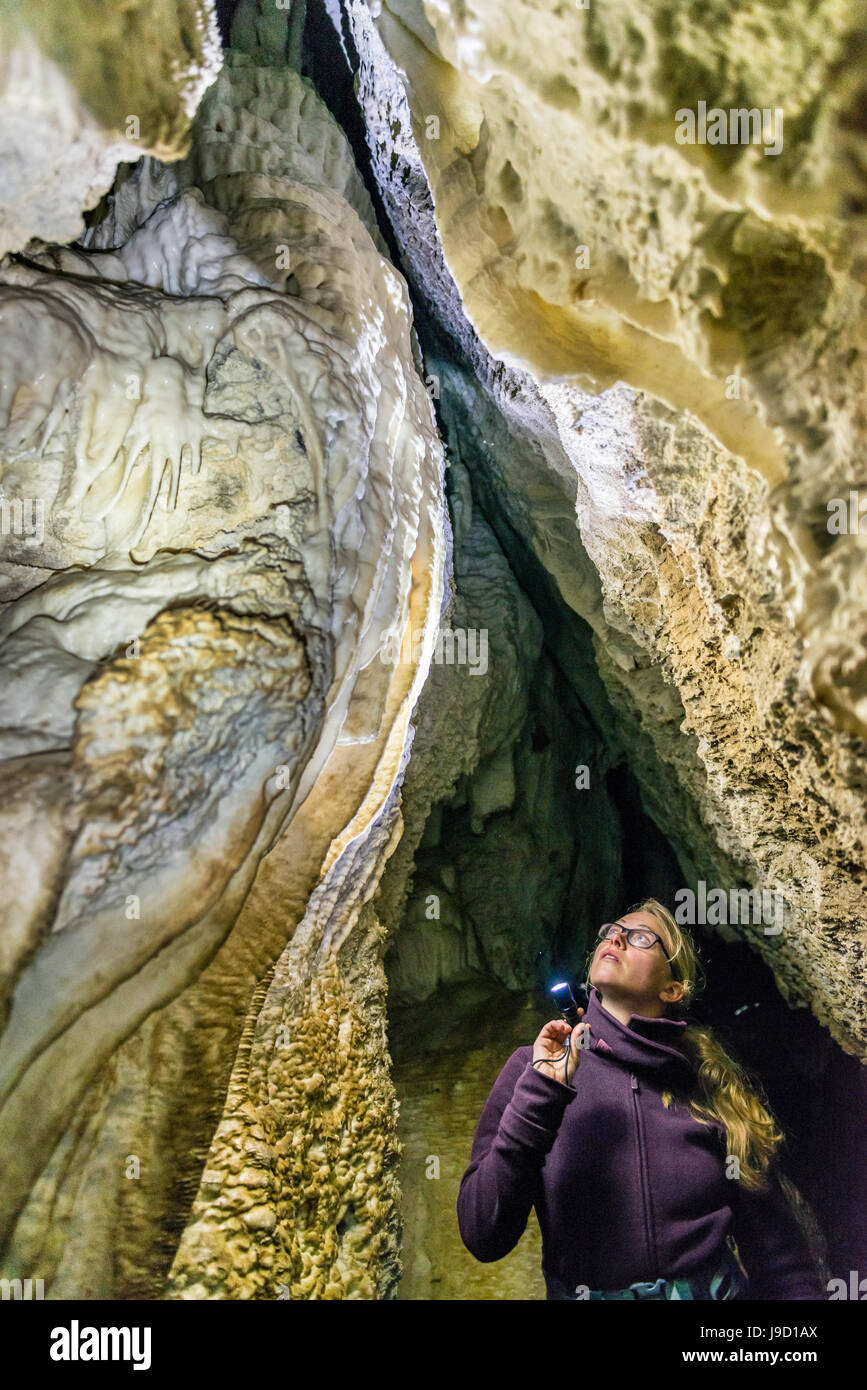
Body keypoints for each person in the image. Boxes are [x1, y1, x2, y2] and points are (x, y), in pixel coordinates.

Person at [457, 897, 826, 1300]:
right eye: (611, 931)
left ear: (672, 987)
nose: (616, 937)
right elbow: (483, 1234)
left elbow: (781, 1261)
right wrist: (540, 1094)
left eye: (641, 937)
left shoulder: (709, 1085)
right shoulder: (535, 1069)